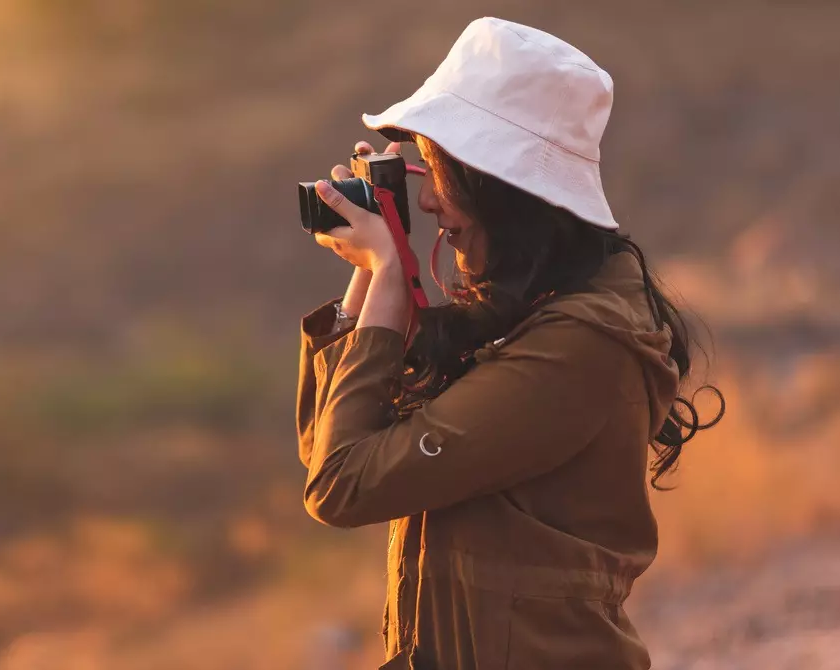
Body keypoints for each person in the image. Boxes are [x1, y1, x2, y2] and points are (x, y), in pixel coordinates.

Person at [296, 17, 723, 669]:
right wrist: (368, 277)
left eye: (439, 174)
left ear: (502, 192)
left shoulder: (580, 346)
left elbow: (343, 485)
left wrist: (388, 273)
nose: (430, 204)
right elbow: (328, 445)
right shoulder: (519, 316)